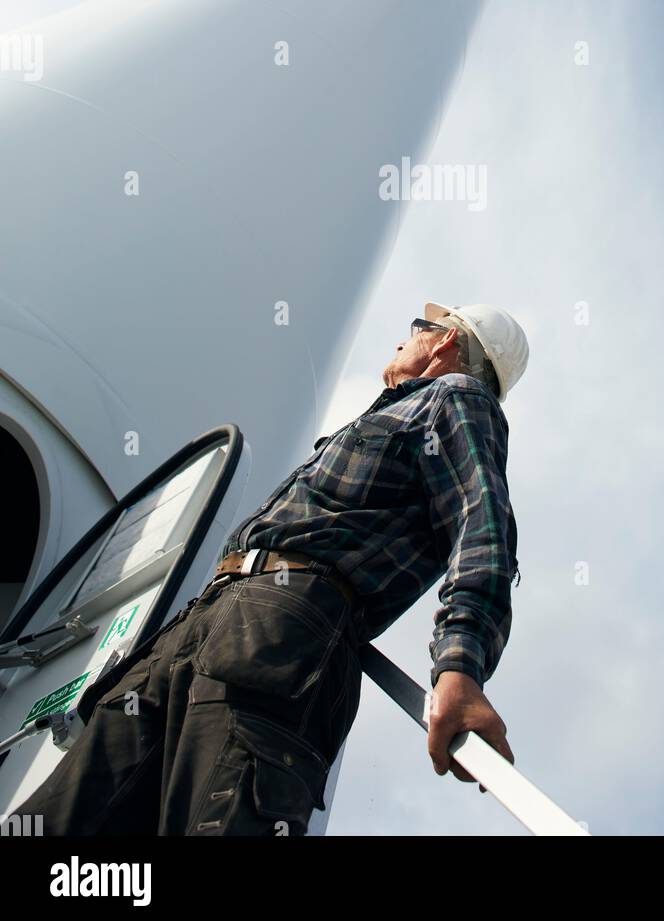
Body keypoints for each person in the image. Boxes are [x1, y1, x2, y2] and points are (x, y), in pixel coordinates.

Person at [13, 300, 528, 836]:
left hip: (284, 632)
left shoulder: (458, 398)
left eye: (417, 328)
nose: (403, 339)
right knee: (57, 818)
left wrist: (460, 667)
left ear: (446, 341)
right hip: (208, 620)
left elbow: (483, 526)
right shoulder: (389, 414)